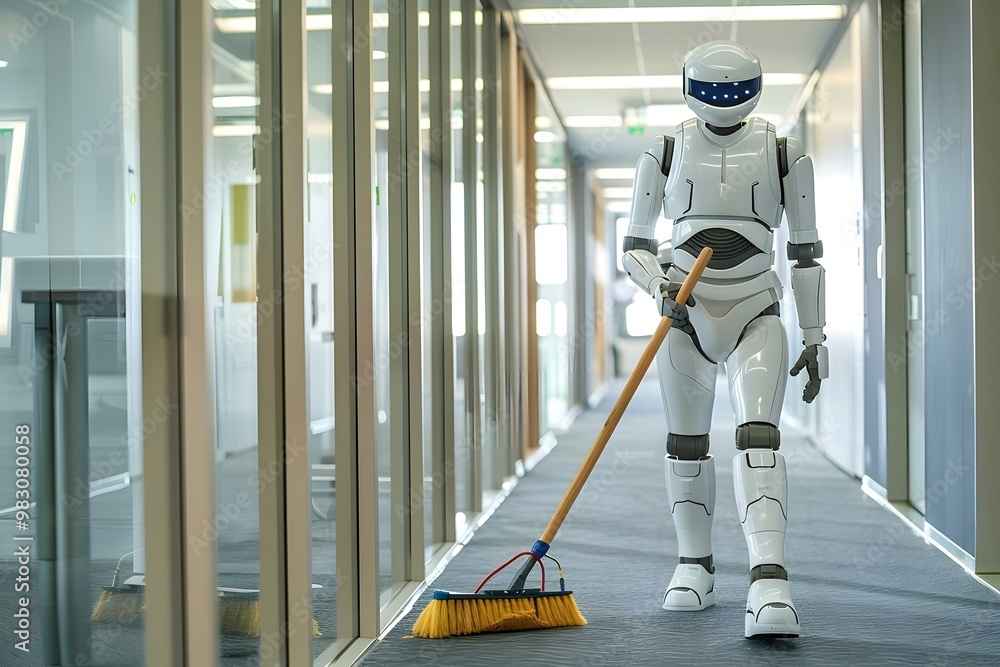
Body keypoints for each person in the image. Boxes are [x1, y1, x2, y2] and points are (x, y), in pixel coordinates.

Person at [620, 40, 828, 638]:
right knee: (686, 443)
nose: (723, 103)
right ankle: (694, 564)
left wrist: (814, 334)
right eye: (713, 92)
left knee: (758, 437)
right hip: (687, 308)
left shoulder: (784, 154)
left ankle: (769, 577)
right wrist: (658, 282)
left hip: (756, 303)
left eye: (734, 93)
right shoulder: (662, 152)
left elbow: (805, 251)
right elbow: (634, 247)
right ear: (689, 87)